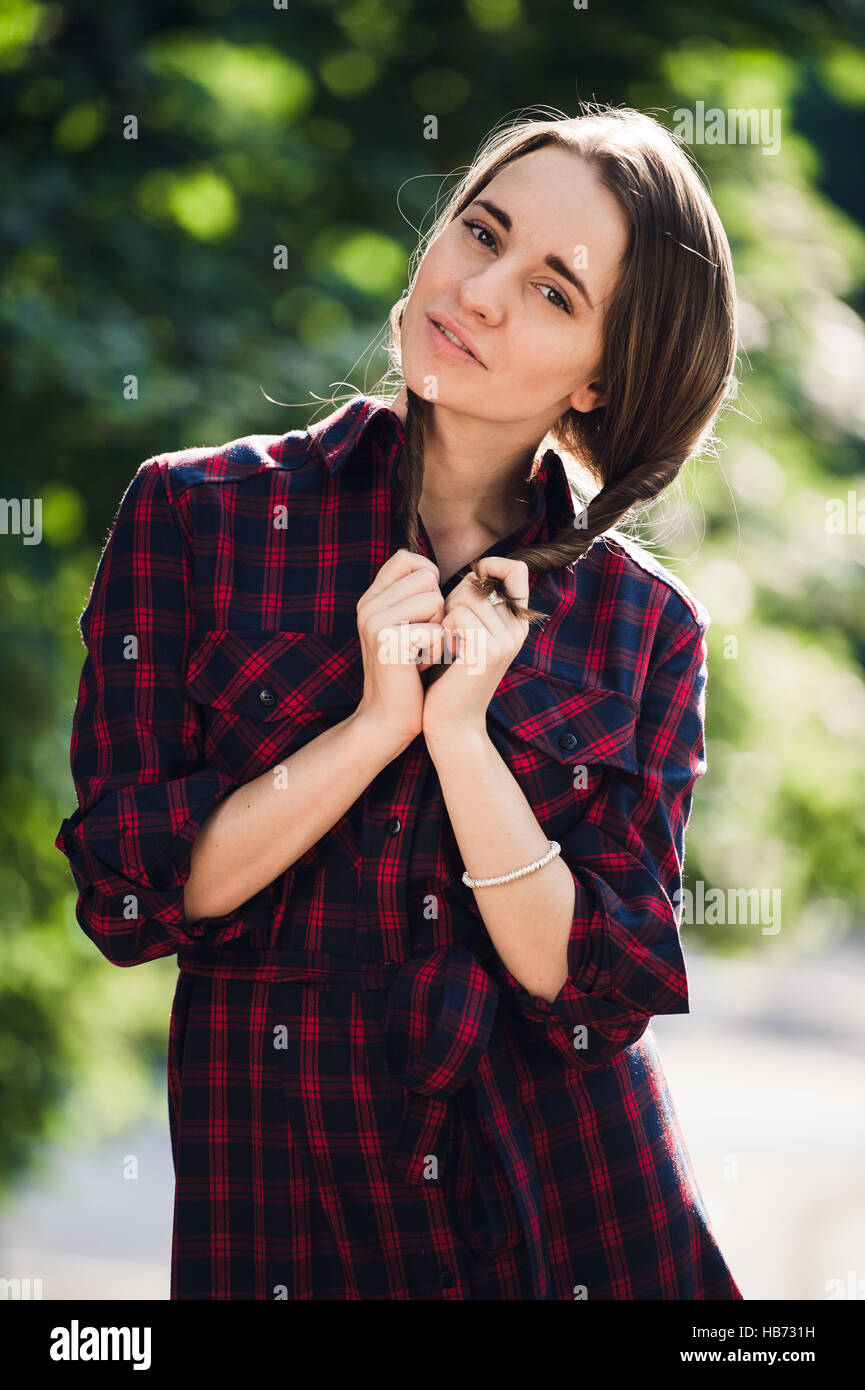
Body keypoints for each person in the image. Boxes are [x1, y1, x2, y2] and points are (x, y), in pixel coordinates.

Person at [55, 105, 744, 1300]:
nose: (478, 291)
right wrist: (372, 724)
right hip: (288, 1220)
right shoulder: (197, 517)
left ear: (601, 384)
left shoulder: (643, 629)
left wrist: (460, 734)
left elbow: (595, 986)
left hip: (576, 1223)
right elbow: (130, 896)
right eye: (480, 233)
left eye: (552, 293)